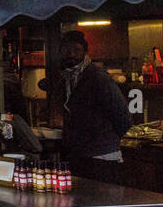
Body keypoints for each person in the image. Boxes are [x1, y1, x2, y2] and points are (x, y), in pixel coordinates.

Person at [53, 30, 130, 178]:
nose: (71, 54)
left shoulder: (97, 77)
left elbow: (123, 116)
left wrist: (105, 139)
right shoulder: (66, 78)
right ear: (60, 52)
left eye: (76, 50)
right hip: (80, 154)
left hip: (103, 156)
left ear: (85, 52)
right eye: (67, 50)